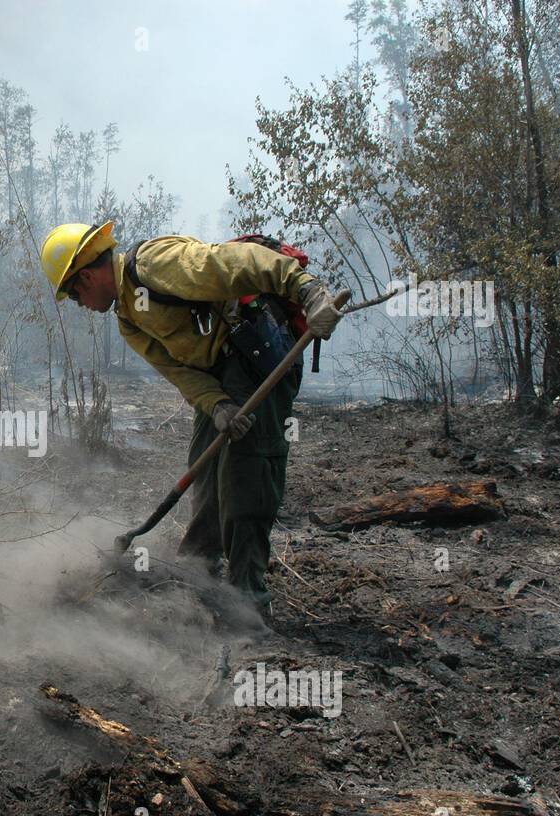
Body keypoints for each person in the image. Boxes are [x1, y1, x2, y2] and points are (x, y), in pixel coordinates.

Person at [40, 221, 343, 612]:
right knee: (205, 469)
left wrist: (310, 292)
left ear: (85, 277)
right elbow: (179, 372)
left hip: (257, 355)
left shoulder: (154, 264)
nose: (79, 303)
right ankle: (197, 574)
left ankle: (247, 601)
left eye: (73, 294)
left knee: (244, 475)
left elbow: (240, 262)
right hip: (219, 376)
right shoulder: (129, 320)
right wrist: (216, 406)